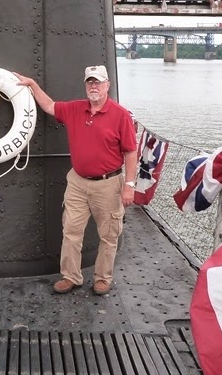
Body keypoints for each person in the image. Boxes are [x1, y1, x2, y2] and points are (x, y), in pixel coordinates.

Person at [14, 65, 138, 295]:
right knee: (71, 230)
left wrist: (129, 186)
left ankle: (102, 278)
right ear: (85, 85)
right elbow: (50, 106)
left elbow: (131, 152)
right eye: (90, 82)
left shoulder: (120, 115)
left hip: (108, 184)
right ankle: (71, 276)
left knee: (109, 234)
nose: (94, 86)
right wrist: (32, 84)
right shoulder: (74, 109)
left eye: (98, 82)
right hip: (78, 182)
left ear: (107, 86)